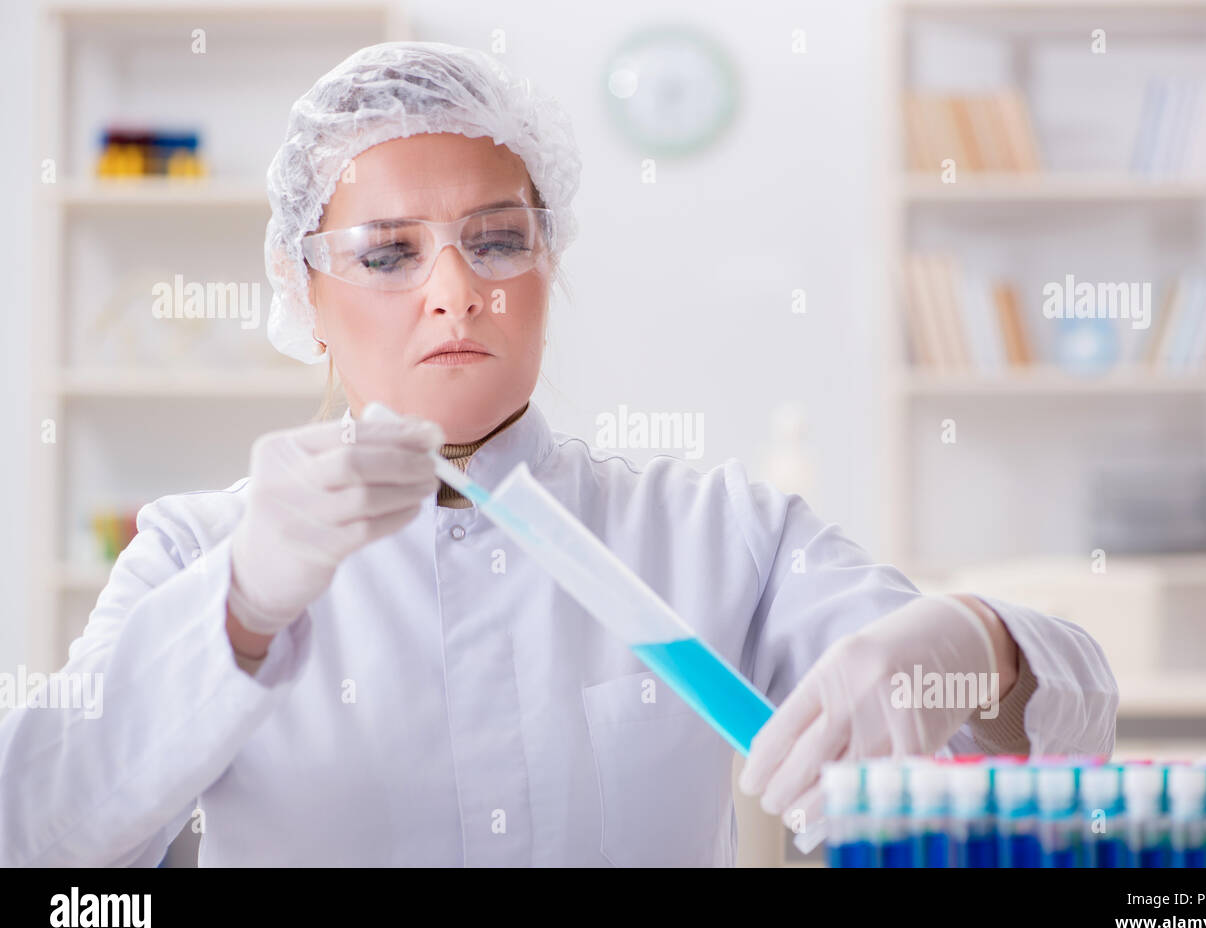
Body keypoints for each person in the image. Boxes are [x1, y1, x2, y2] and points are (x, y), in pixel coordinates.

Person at [0, 41, 1117, 867]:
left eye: (495, 239)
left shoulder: (714, 530)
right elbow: (43, 838)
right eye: (387, 253)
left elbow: (1059, 729)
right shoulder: (203, 548)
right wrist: (239, 612)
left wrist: (979, 645)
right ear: (305, 297)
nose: (454, 290)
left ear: (549, 265)